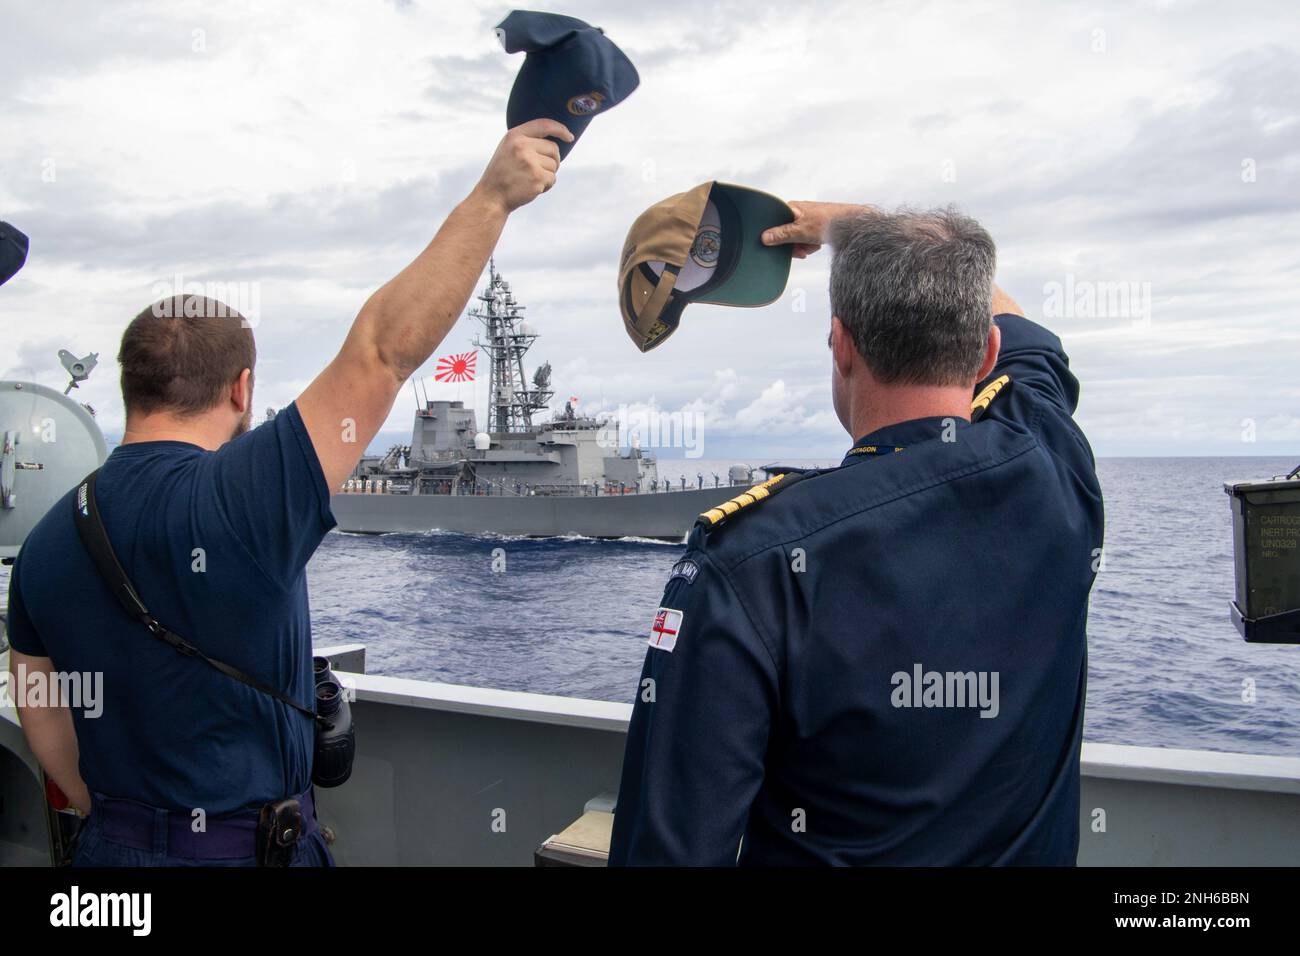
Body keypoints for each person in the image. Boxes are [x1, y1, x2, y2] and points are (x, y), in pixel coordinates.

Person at [5, 118, 572, 866]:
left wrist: (120, 822)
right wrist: (494, 197)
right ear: (242, 389)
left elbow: (41, 713)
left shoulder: (47, 538)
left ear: (128, 387)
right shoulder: (245, 497)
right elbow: (380, 350)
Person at [608, 202, 1104, 866]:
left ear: (841, 346)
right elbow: (1020, 327)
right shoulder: (1059, 470)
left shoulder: (752, 565)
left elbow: (669, 852)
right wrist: (848, 221)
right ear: (986, 350)